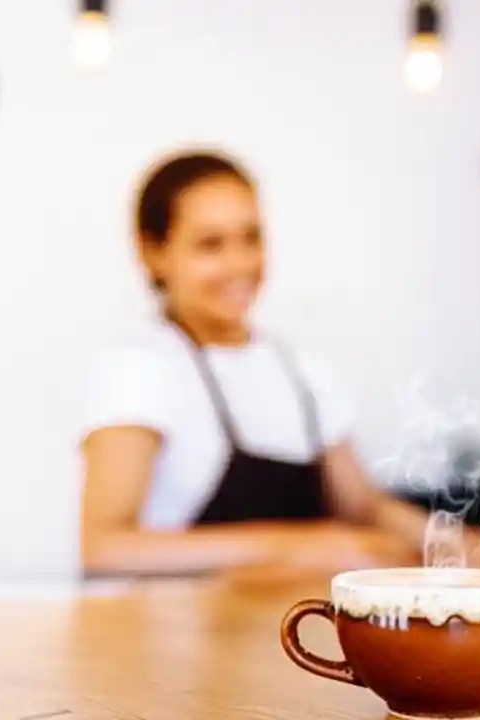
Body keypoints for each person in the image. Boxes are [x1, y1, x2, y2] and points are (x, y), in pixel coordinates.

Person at [81, 151, 430, 577]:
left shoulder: (302, 371)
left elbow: (362, 508)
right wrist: (296, 548)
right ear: (153, 253)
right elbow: (105, 548)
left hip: (289, 634)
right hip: (170, 638)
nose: (240, 264)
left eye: (252, 238)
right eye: (211, 245)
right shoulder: (139, 370)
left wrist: (453, 543)